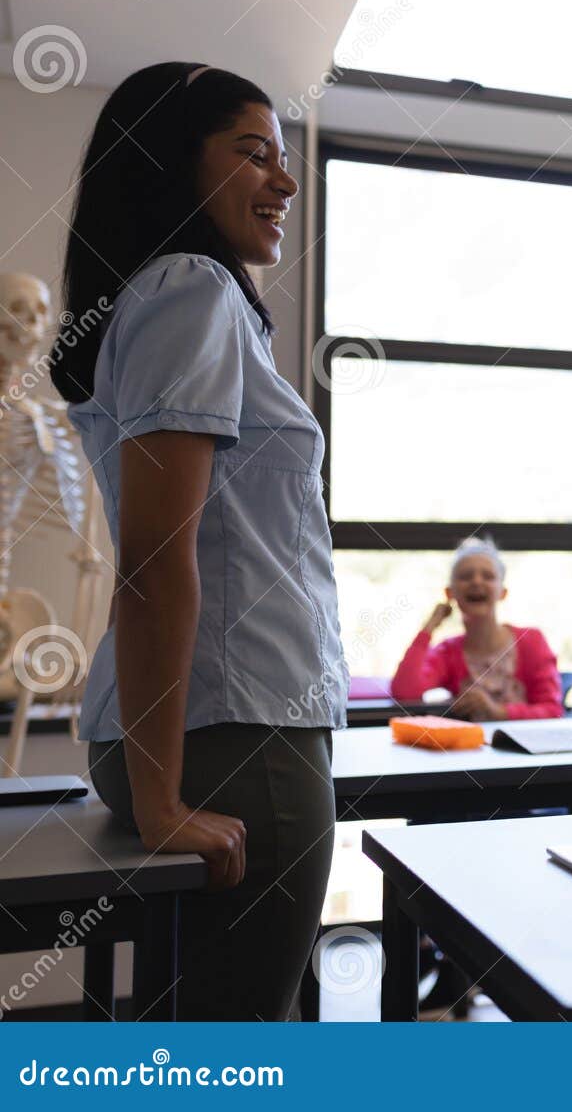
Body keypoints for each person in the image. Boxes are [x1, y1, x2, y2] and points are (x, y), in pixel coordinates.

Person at [51, 63, 344, 1020]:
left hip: (207, 730)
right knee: (242, 1040)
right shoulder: (193, 288)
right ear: (173, 166)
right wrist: (166, 797)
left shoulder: (168, 301)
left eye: (288, 159)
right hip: (234, 734)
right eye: (254, 154)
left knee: (205, 1033)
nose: (285, 183)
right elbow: (150, 561)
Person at [390, 536, 564, 721]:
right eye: (465, 576)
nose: (476, 582)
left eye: (488, 576)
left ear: (502, 592)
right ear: (450, 593)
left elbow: (553, 711)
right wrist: (429, 627)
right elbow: (405, 692)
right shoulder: (447, 652)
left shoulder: (531, 641)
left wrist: (498, 712)